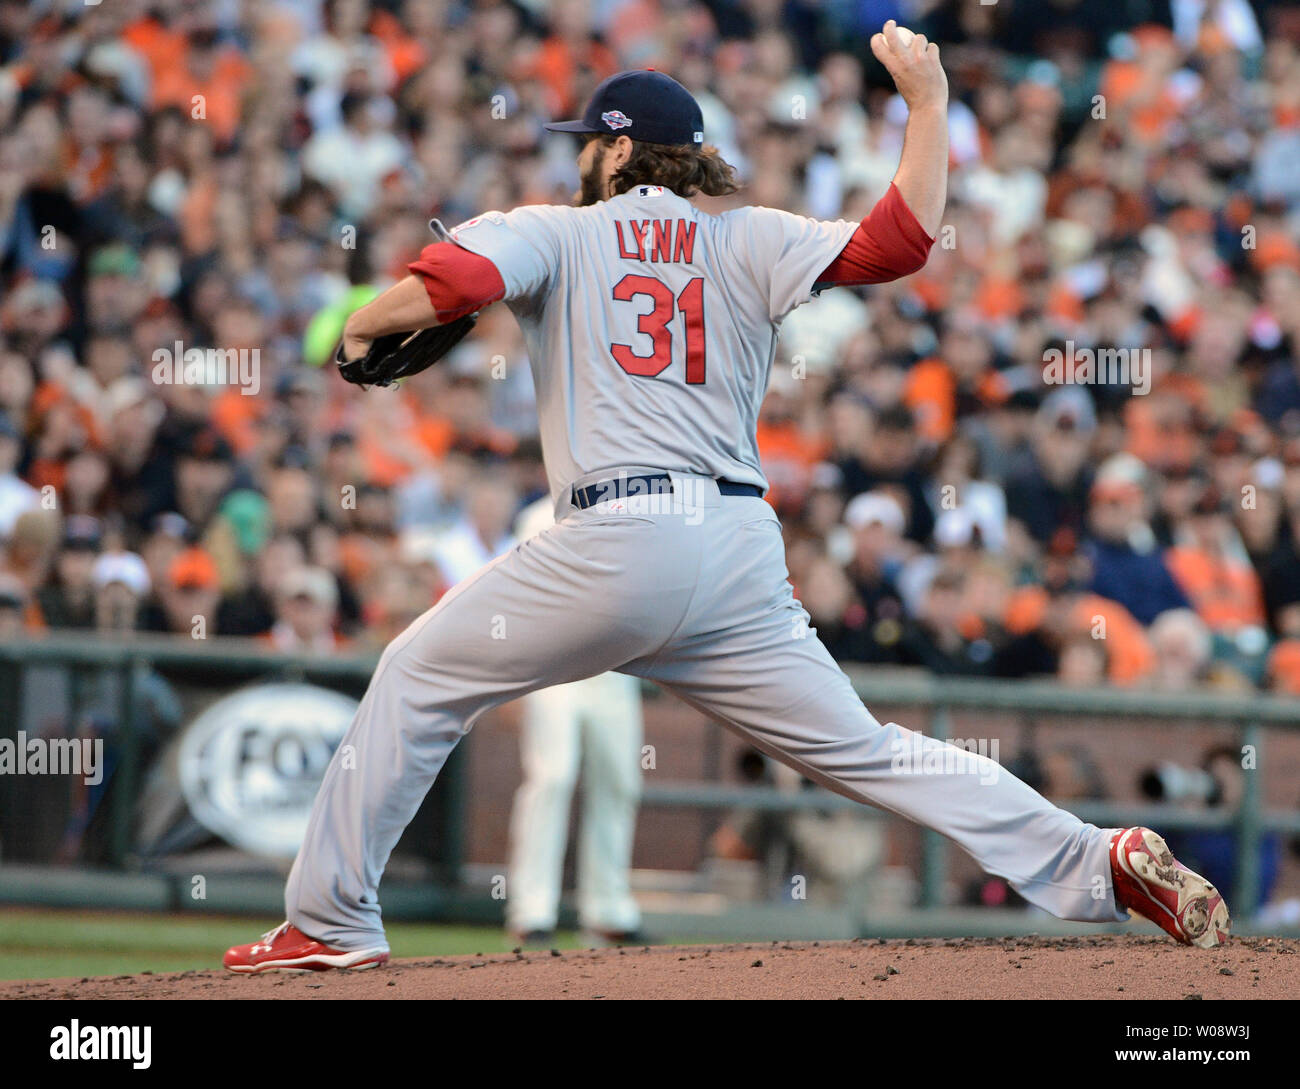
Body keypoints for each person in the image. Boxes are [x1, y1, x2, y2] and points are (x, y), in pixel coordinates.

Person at [225, 26, 1229, 974]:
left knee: (415, 675)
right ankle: (1092, 860)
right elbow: (901, 242)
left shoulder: (557, 231)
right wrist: (927, 106)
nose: (582, 158)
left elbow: (455, 276)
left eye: (591, 143)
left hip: (617, 538)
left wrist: (362, 324)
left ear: (621, 153)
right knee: (865, 751)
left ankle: (330, 919)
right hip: (738, 551)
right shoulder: (751, 237)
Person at [505, 497, 644, 947]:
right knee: (553, 777)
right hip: (555, 662)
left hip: (614, 667)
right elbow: (520, 597)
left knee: (620, 781)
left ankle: (608, 909)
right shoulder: (536, 516)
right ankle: (531, 911)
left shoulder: (632, 506)